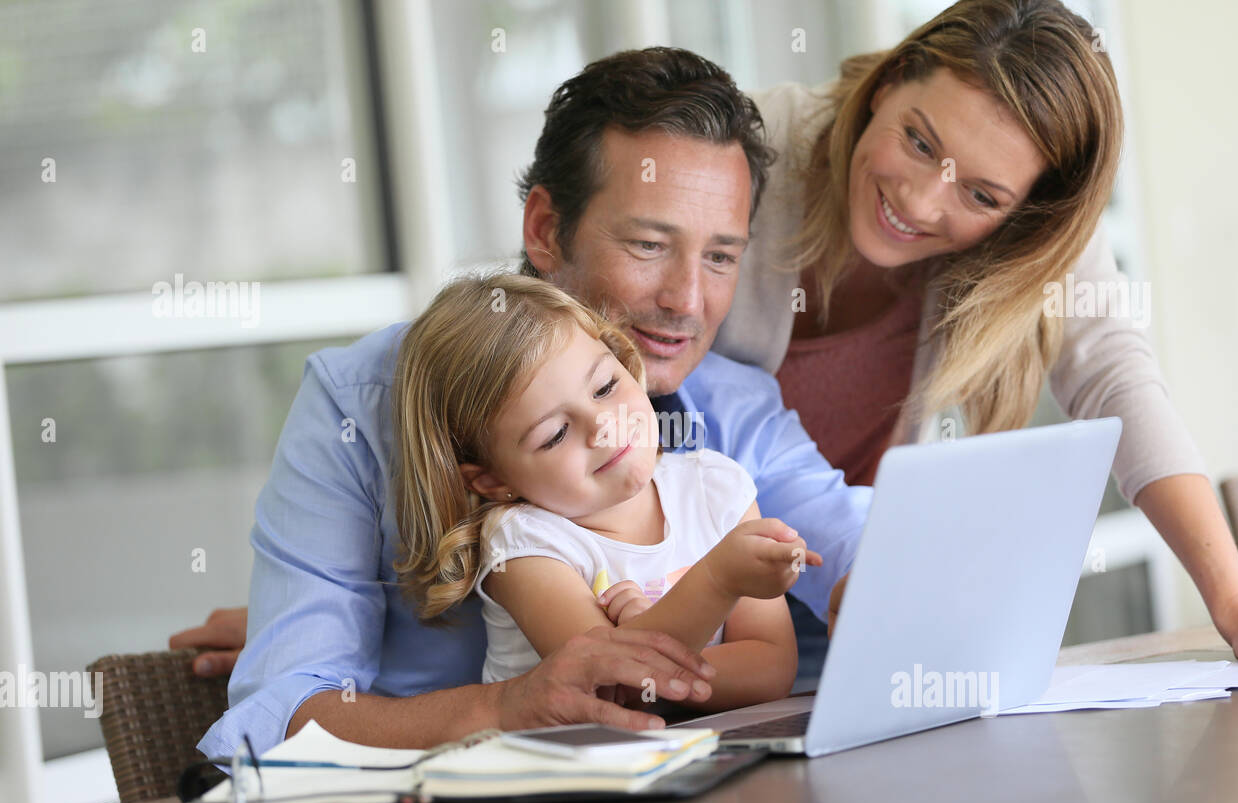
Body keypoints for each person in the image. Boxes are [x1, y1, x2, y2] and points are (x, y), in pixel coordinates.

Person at [190, 47, 871, 761]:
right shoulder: (359, 406)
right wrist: (505, 706)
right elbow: (284, 718)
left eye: (721, 257)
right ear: (545, 229)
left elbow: (869, 553)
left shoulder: (735, 410)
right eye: (647, 243)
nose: (687, 301)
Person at [711, 0, 1238, 663]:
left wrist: (1237, 603)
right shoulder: (740, 153)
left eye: (982, 196)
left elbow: (1115, 375)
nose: (919, 200)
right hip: (687, 605)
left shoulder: (1035, 222)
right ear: (888, 81)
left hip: (853, 593)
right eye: (919, 141)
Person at [394, 273, 817, 712]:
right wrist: (716, 582)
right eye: (555, 434)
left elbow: (770, 671)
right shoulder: (523, 544)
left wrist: (651, 646)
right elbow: (613, 689)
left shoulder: (715, 488)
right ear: (493, 481)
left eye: (605, 387)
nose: (602, 427)